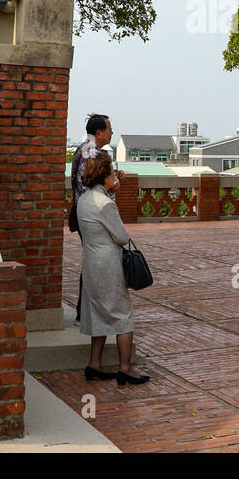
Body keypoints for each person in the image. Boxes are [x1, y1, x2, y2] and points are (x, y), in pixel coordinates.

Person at [76, 151, 150, 386]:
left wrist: (114, 193)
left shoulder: (84, 199)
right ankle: (124, 369)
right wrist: (114, 196)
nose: (114, 178)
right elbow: (121, 235)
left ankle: (94, 364)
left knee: (98, 312)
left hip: (90, 262)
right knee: (122, 315)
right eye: (111, 174)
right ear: (104, 175)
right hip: (108, 264)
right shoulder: (105, 203)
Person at [71, 114, 120, 322]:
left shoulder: (79, 150)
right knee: (99, 263)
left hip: (81, 212)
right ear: (99, 133)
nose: (111, 133)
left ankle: (83, 311)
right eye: (109, 129)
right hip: (98, 214)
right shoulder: (99, 155)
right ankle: (93, 312)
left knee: (89, 260)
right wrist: (119, 181)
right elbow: (112, 186)